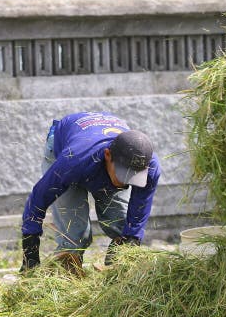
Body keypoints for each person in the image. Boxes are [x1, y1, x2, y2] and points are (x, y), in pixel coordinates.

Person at [20, 112, 161, 274]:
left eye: (132, 177)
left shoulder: (149, 166)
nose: (125, 183)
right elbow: (38, 200)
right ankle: (67, 278)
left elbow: (138, 213)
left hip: (99, 149)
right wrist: (30, 251)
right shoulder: (71, 161)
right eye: (123, 175)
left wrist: (132, 238)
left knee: (122, 228)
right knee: (74, 235)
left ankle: (117, 277)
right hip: (70, 151)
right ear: (108, 155)